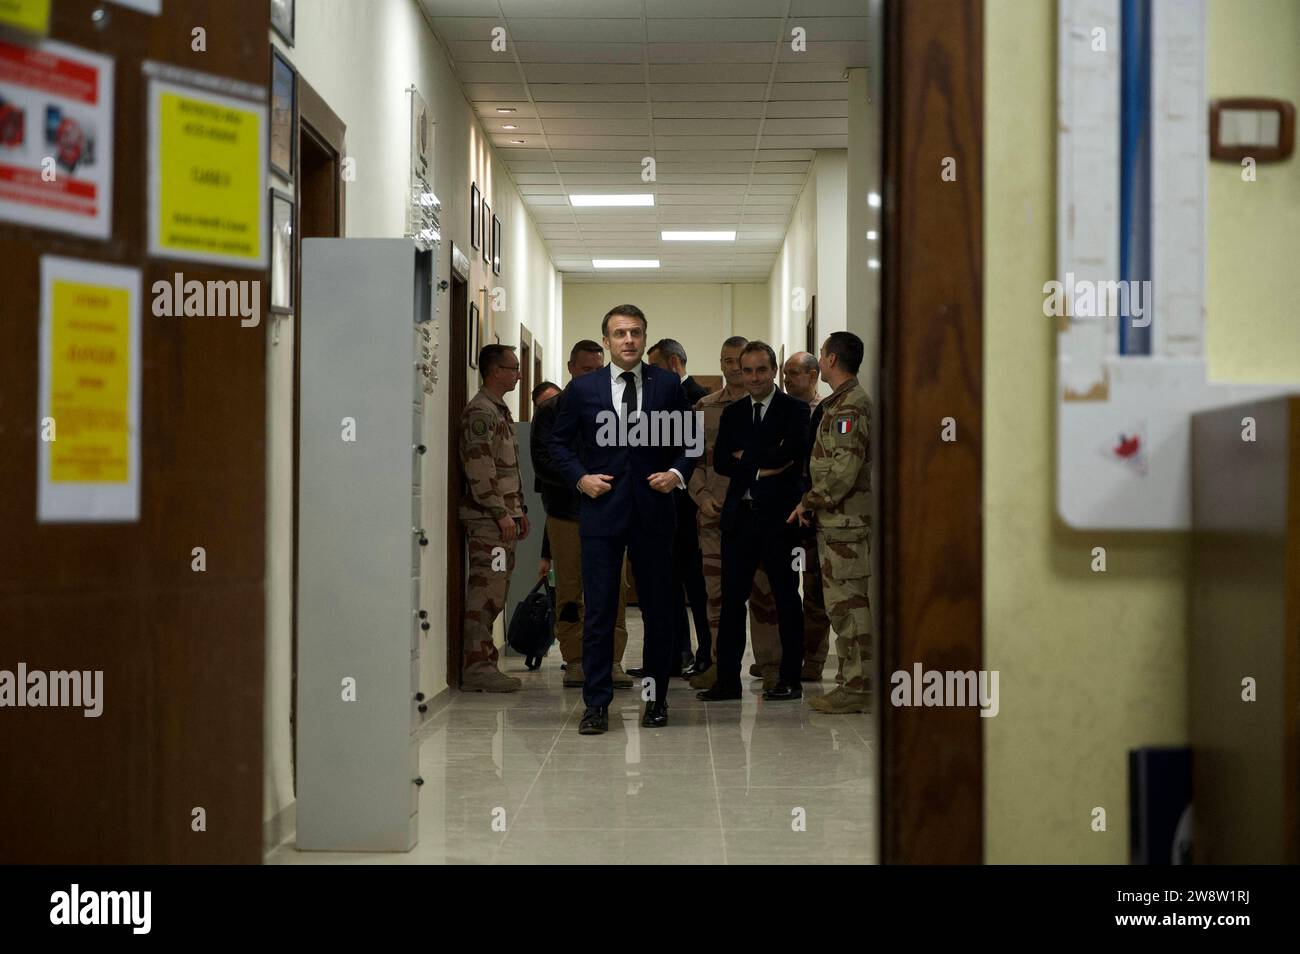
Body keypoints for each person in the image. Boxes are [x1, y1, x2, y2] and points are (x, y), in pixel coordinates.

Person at [549, 305, 697, 734]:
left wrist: (676, 474)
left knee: (658, 611)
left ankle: (655, 701)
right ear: (607, 341)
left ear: (644, 339)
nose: (628, 340)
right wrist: (580, 478)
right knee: (598, 612)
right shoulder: (583, 389)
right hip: (602, 512)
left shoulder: (667, 385)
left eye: (635, 333)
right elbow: (559, 445)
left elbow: (690, 442)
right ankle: (596, 704)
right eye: (619, 334)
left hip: (653, 511)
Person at [698, 341, 809, 702]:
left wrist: (749, 458)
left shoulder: (795, 410)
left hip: (780, 520)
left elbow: (790, 453)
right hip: (739, 520)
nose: (755, 377)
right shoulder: (732, 414)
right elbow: (721, 464)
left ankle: (790, 678)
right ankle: (727, 682)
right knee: (731, 603)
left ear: (774, 371)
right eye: (748, 371)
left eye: (761, 370)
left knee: (785, 599)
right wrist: (765, 464)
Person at [531, 341, 633, 689]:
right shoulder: (550, 411)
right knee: (570, 588)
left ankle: (613, 659)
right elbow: (542, 462)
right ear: (571, 367)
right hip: (565, 512)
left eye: (598, 369)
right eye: (586, 369)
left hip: (610, 511)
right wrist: (581, 479)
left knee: (614, 588)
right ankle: (574, 659)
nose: (593, 375)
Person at [687, 337, 782, 692]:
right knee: (718, 595)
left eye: (737, 362)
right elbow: (689, 461)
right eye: (725, 361)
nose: (732, 368)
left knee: (764, 593)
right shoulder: (703, 408)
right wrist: (700, 496)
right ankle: (718, 665)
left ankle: (770, 665)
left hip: (757, 515)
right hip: (714, 517)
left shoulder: (772, 408)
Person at [788, 332, 874, 714]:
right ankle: (852, 680)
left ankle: (858, 687)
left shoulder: (850, 407)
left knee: (849, 607)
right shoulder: (841, 403)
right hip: (837, 524)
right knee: (841, 606)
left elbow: (843, 470)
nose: (820, 361)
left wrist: (809, 500)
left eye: (821, 355)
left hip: (846, 525)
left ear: (832, 360)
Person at [458, 344, 529, 692]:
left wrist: (520, 510)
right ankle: (477, 667)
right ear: (494, 371)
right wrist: (501, 513)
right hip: (488, 521)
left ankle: (484, 662)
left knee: (496, 594)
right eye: (513, 368)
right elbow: (480, 470)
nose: (518, 373)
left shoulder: (500, 411)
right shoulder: (481, 413)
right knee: (485, 594)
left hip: (503, 518)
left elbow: (508, 470)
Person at [644, 337, 711, 678]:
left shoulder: (700, 398)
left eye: (653, 365)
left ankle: (705, 656)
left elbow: (698, 456)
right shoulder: (652, 400)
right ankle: (672, 655)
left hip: (692, 511)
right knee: (665, 586)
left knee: (697, 589)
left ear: (672, 364)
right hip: (661, 510)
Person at [781, 351, 834, 682]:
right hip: (786, 512)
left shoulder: (828, 412)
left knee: (815, 590)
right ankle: (785, 655)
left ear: (813, 375)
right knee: (783, 587)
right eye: (784, 374)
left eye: (794, 374)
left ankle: (813, 661)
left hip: (816, 513)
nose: (786, 381)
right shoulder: (783, 412)